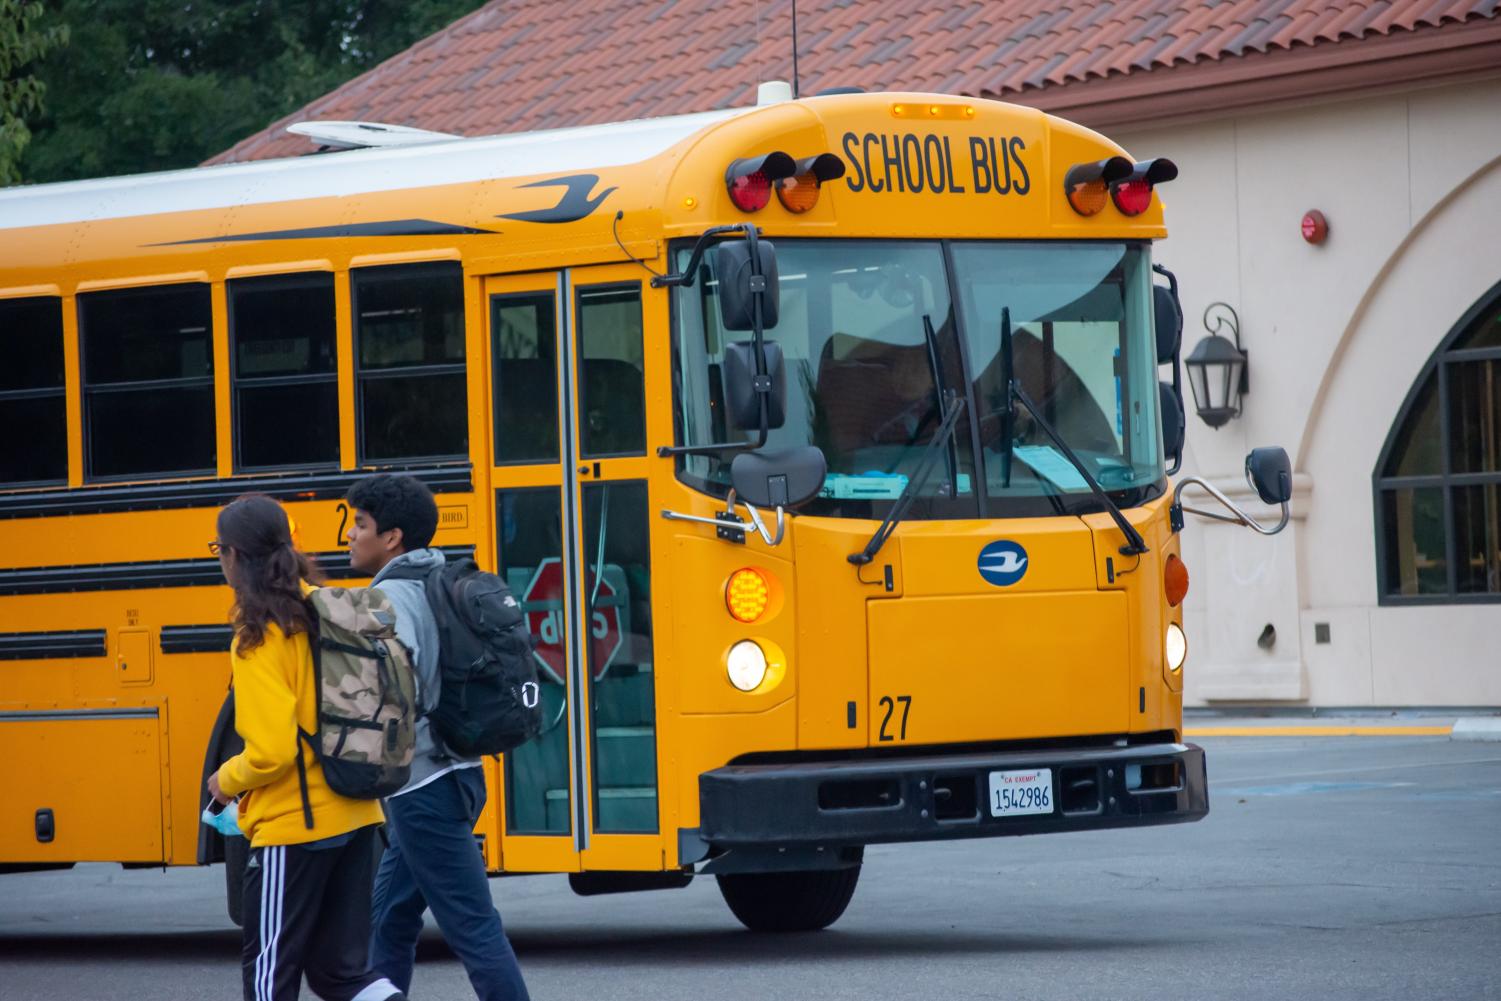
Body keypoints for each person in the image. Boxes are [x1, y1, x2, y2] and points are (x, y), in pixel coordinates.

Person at [206, 494, 405, 1001]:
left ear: (233, 555)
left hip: (296, 827)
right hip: (359, 816)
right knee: (342, 974)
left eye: (218, 550)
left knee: (271, 973)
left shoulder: (258, 634)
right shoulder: (327, 608)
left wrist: (225, 780)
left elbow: (272, 752)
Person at [347, 473, 530, 1001]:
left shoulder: (387, 600)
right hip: (458, 773)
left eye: (360, 524)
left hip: (423, 786)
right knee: (390, 918)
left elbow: (389, 694)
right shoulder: (440, 578)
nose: (350, 536)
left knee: (474, 928)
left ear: (392, 538)